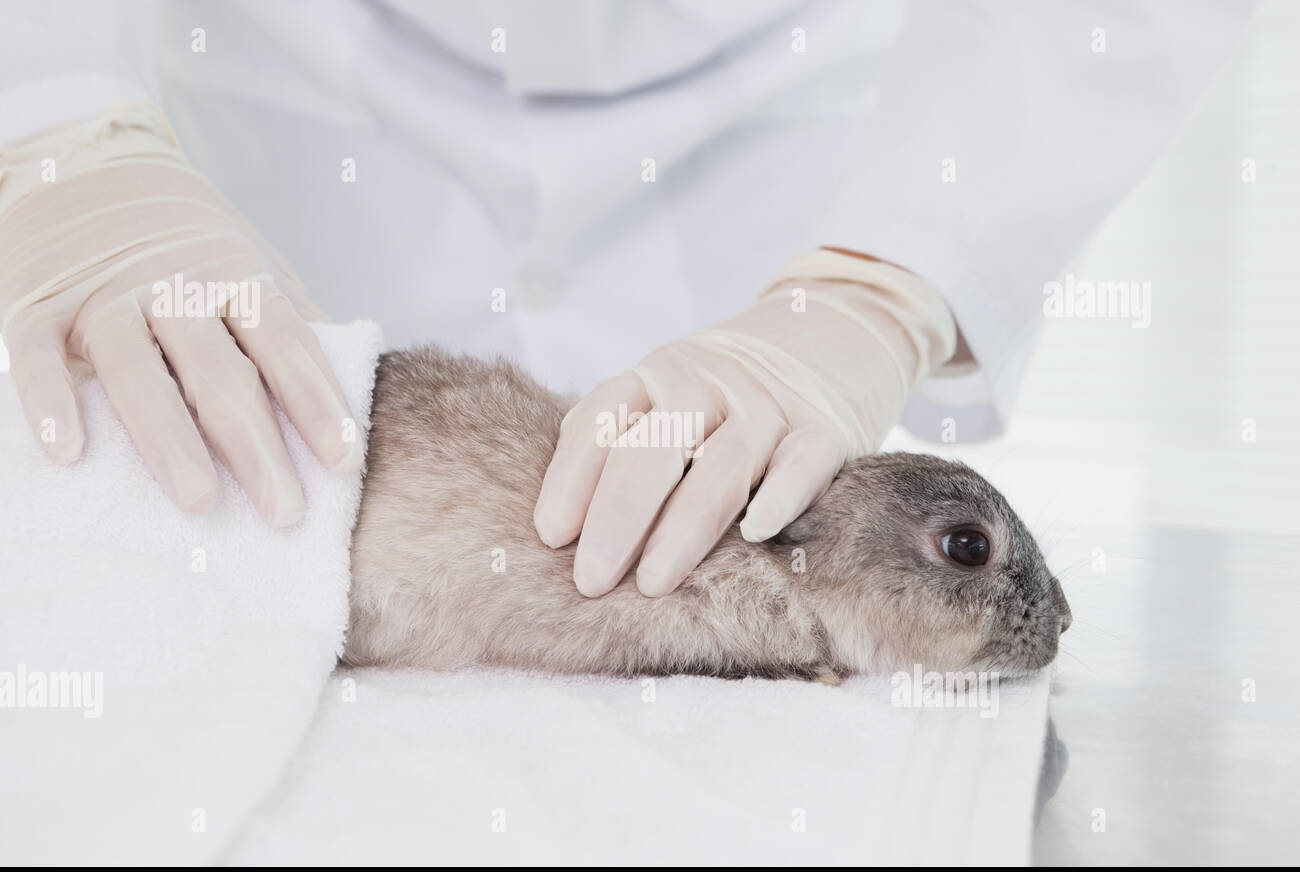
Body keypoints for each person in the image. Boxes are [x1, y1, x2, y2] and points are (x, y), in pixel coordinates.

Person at [0, 0, 1254, 596]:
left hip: (795, 94)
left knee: (714, 623)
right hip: (288, 71)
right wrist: (54, 124)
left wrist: (887, 270)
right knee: (238, 559)